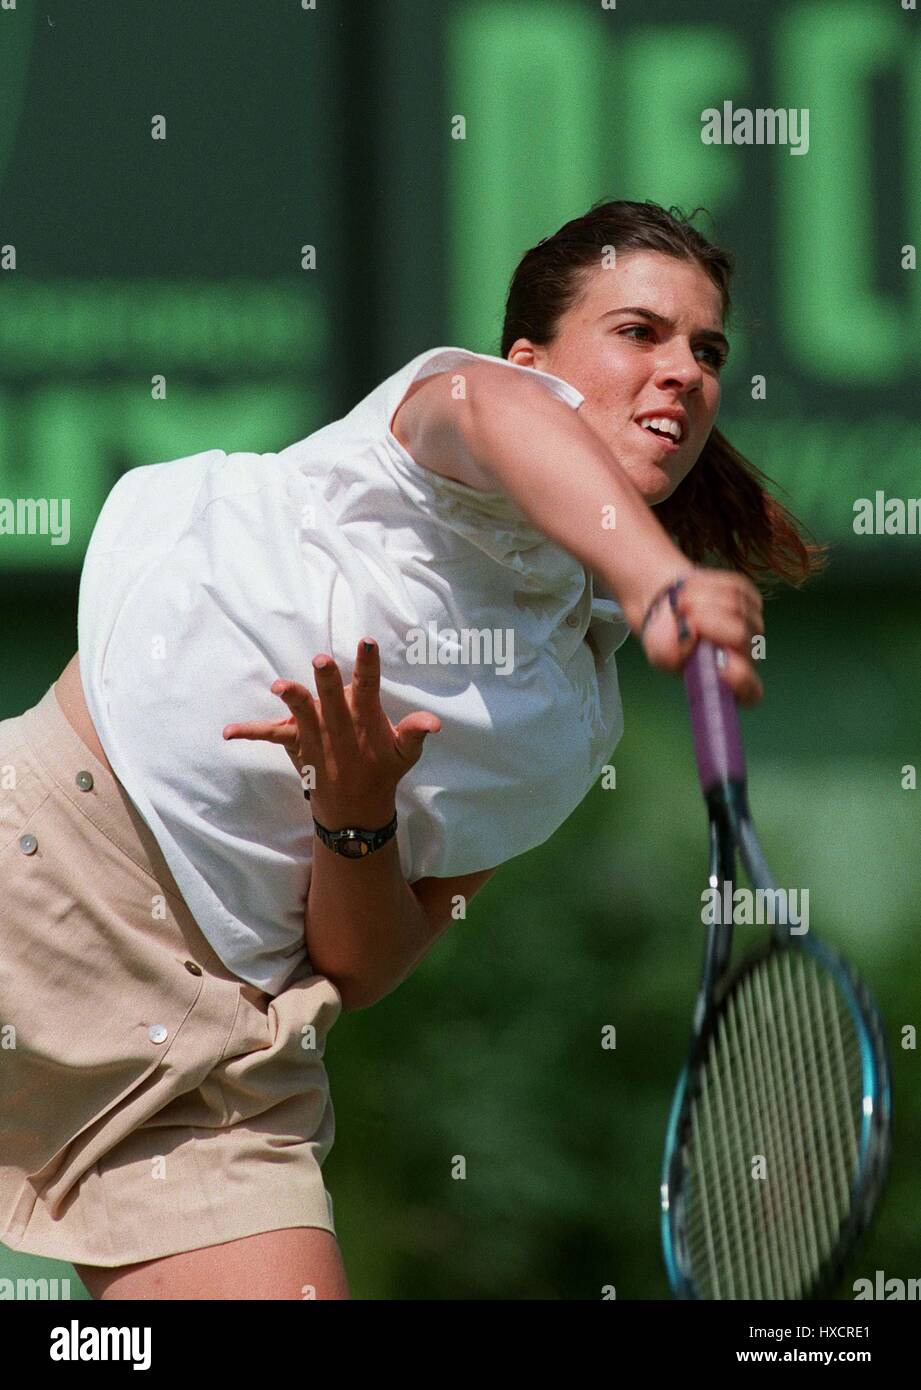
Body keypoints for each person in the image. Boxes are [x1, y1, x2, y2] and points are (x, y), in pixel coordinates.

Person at [0, 199, 824, 1301]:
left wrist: (357, 815)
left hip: (216, 1058)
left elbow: (362, 963)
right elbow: (497, 415)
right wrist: (658, 579)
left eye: (707, 350)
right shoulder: (441, 421)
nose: (684, 370)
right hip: (36, 870)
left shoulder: (572, 720)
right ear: (532, 358)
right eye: (640, 332)